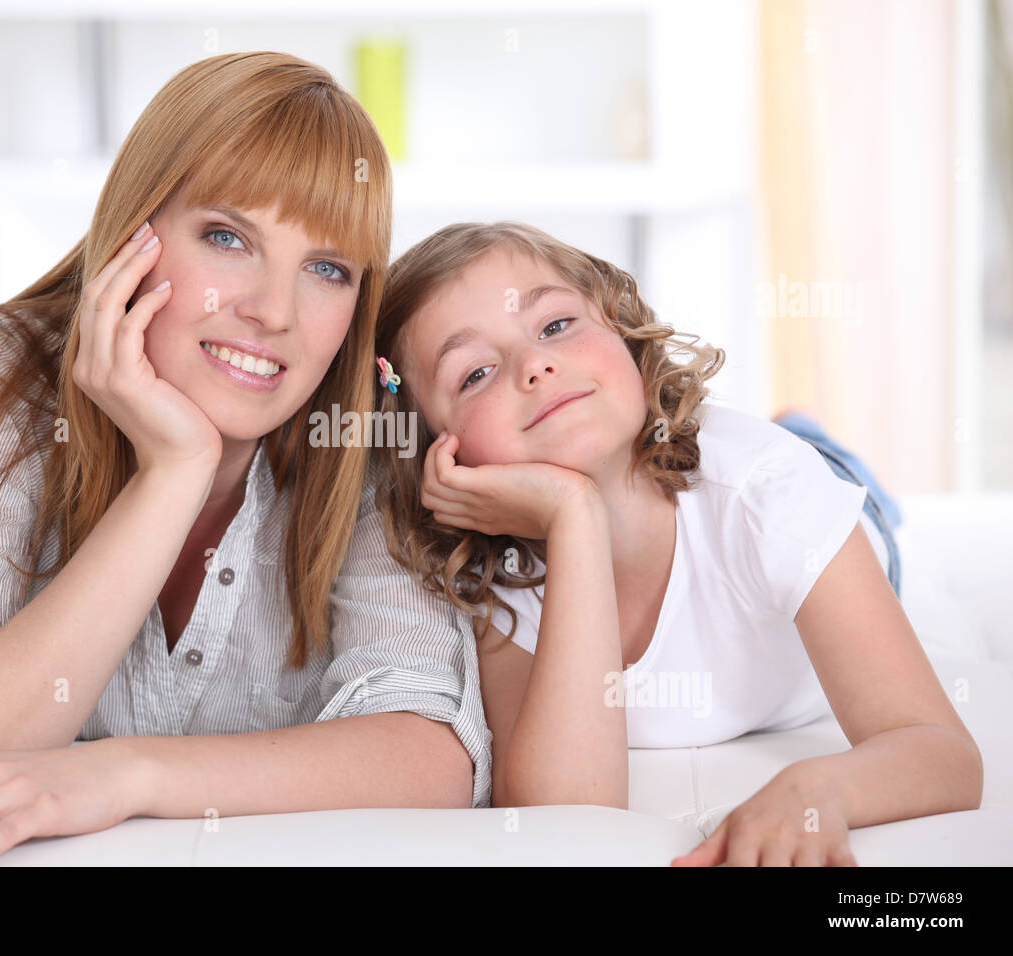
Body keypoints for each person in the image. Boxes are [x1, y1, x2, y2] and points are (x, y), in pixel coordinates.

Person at [0, 53, 491, 869]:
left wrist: (125, 774)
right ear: (134, 231)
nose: (273, 313)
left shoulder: (364, 430)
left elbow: (433, 756)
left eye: (327, 269)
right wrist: (173, 472)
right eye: (227, 237)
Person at [369, 220, 982, 866]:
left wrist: (814, 787)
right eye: (476, 373)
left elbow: (942, 749)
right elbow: (566, 810)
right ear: (438, 455)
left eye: (555, 326)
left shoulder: (769, 493)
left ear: (622, 333)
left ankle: (803, 427)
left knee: (831, 467)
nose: (536, 366)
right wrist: (573, 517)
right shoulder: (494, 572)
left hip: (815, 483)